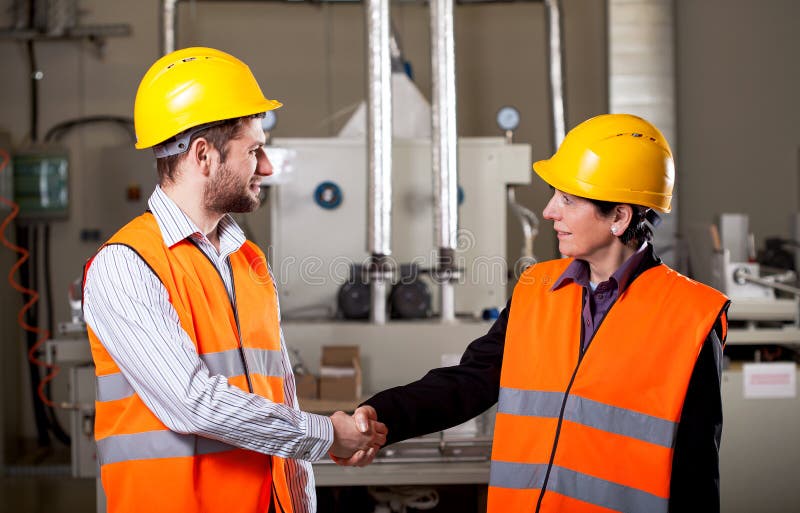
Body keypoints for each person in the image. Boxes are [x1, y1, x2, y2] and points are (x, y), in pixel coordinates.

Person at [346, 114, 730, 513]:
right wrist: (382, 416)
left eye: (568, 199)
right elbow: (470, 382)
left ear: (619, 216)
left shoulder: (690, 318)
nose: (549, 211)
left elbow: (696, 476)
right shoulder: (537, 289)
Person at [82, 47, 386, 513]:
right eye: (254, 151)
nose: (265, 168)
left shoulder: (247, 260)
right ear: (203, 156)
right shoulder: (126, 265)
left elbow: (279, 394)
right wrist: (327, 436)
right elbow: (192, 403)